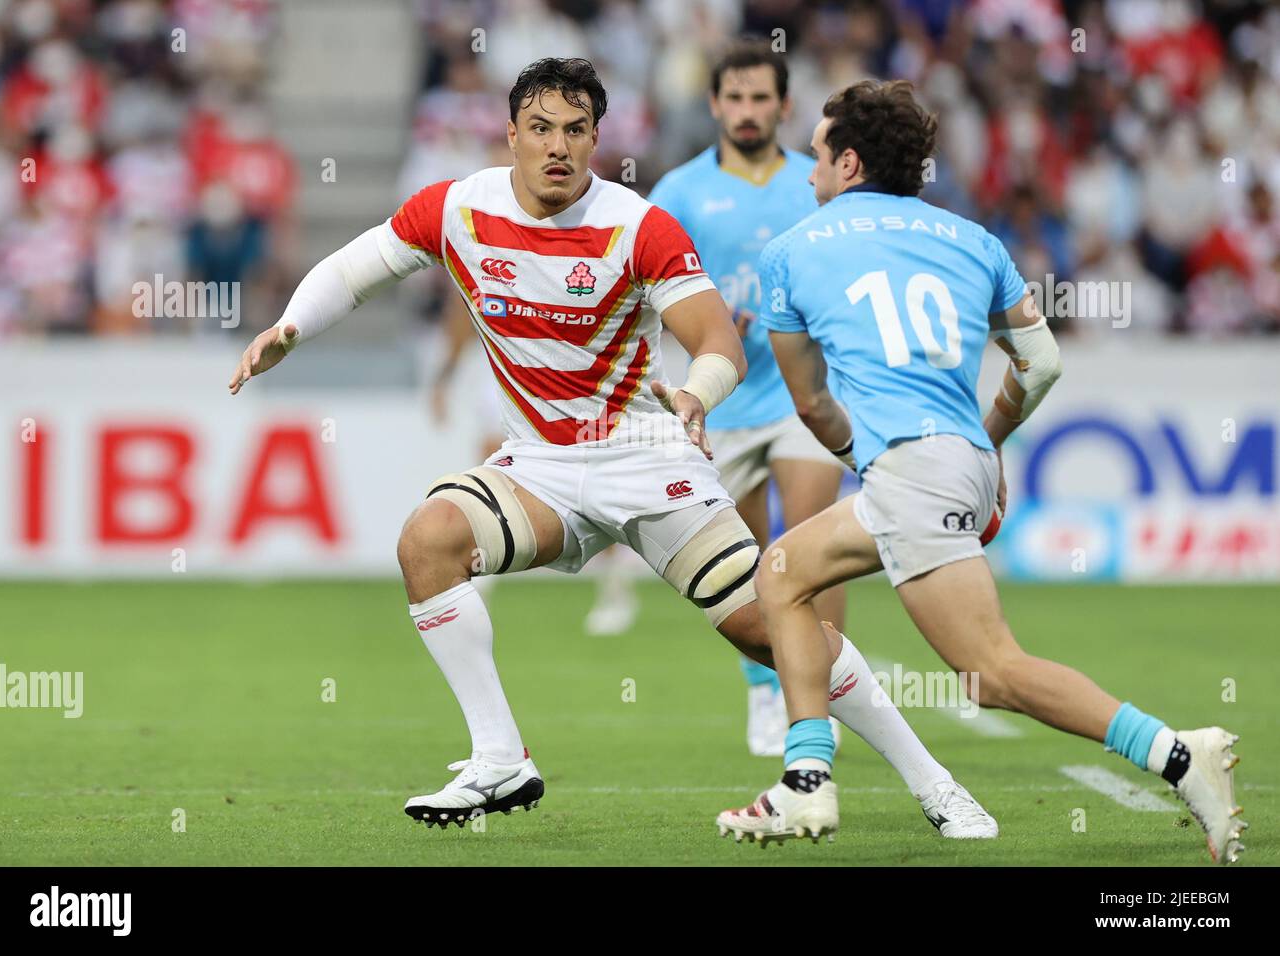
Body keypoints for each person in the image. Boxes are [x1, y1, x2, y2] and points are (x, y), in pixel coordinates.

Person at [229, 59, 995, 838]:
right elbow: (356, 268)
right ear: (511, 135)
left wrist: (697, 391)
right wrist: (291, 325)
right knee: (429, 541)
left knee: (769, 625)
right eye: (540, 129)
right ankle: (499, 759)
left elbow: (717, 337)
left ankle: (936, 785)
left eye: (575, 130)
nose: (557, 147)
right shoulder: (457, 208)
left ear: (597, 137)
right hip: (542, 467)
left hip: (646, 457)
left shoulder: (636, 224)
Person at [718, 80, 1245, 864]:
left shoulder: (794, 250)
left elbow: (813, 405)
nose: (808, 172)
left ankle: (1177, 752)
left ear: (850, 163)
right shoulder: (974, 240)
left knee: (992, 672)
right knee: (786, 571)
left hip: (911, 470)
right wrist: (988, 440)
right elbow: (1041, 364)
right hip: (960, 459)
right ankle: (806, 775)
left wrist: (872, 459)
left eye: (819, 155)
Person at [641, 41, 846, 757]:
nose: (749, 110)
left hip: (804, 393)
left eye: (762, 98)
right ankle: (765, 690)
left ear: (785, 105)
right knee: (750, 559)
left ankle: (816, 700)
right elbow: (644, 289)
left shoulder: (816, 183)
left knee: (819, 539)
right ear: (715, 104)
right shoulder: (678, 192)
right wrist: (708, 324)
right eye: (736, 97)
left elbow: (846, 273)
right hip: (718, 402)